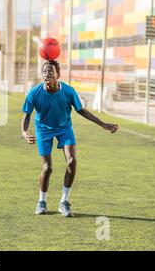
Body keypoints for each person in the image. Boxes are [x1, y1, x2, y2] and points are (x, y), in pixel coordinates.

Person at [21, 60, 118, 217]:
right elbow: (27, 115)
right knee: (47, 168)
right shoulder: (34, 93)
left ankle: (64, 202)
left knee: (72, 161)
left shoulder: (68, 91)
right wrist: (24, 131)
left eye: (51, 72)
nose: (47, 74)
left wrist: (102, 124)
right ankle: (42, 201)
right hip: (43, 130)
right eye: (44, 72)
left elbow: (81, 110)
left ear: (58, 75)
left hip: (64, 128)